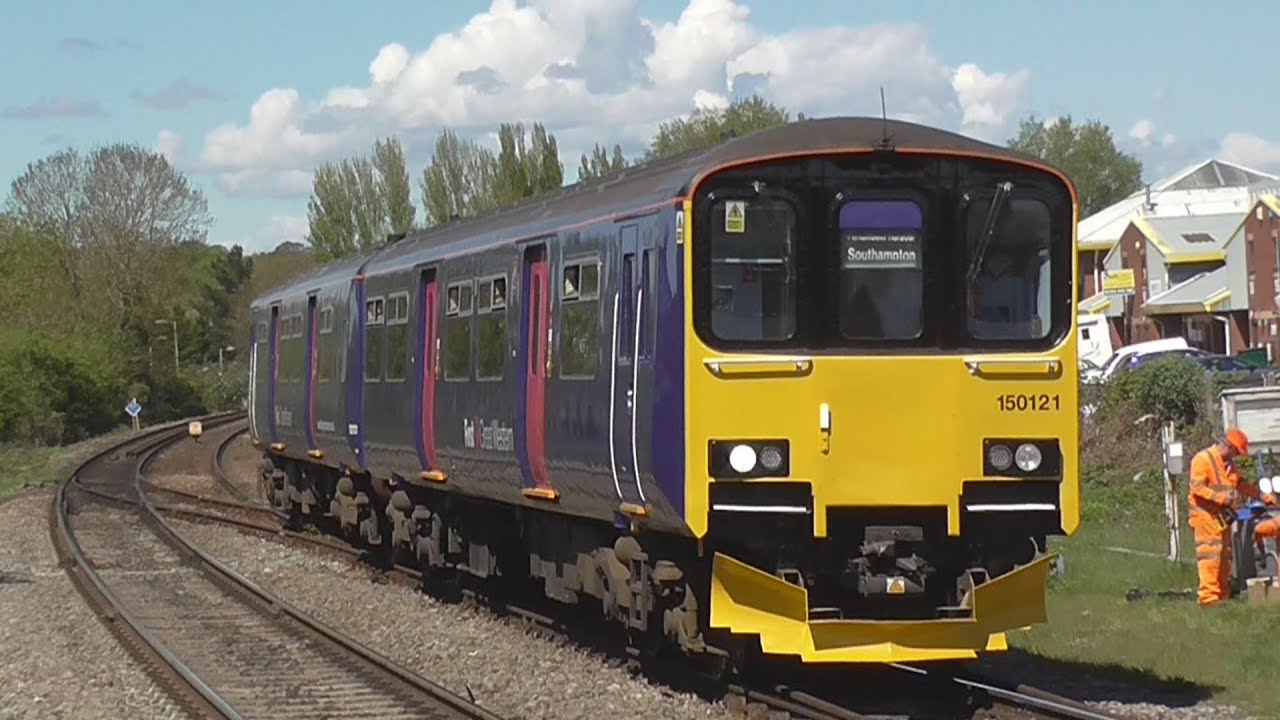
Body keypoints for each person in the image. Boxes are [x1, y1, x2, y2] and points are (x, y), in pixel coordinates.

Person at [1187, 429, 1258, 607]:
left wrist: (1260, 495)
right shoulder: (1202, 459)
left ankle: (1222, 595)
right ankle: (1208, 598)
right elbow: (1197, 488)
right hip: (1205, 517)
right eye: (1236, 452)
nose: (1236, 456)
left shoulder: (1229, 465)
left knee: (1225, 557)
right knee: (1210, 557)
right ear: (1228, 446)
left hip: (1221, 518)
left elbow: (1240, 483)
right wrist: (1223, 499)